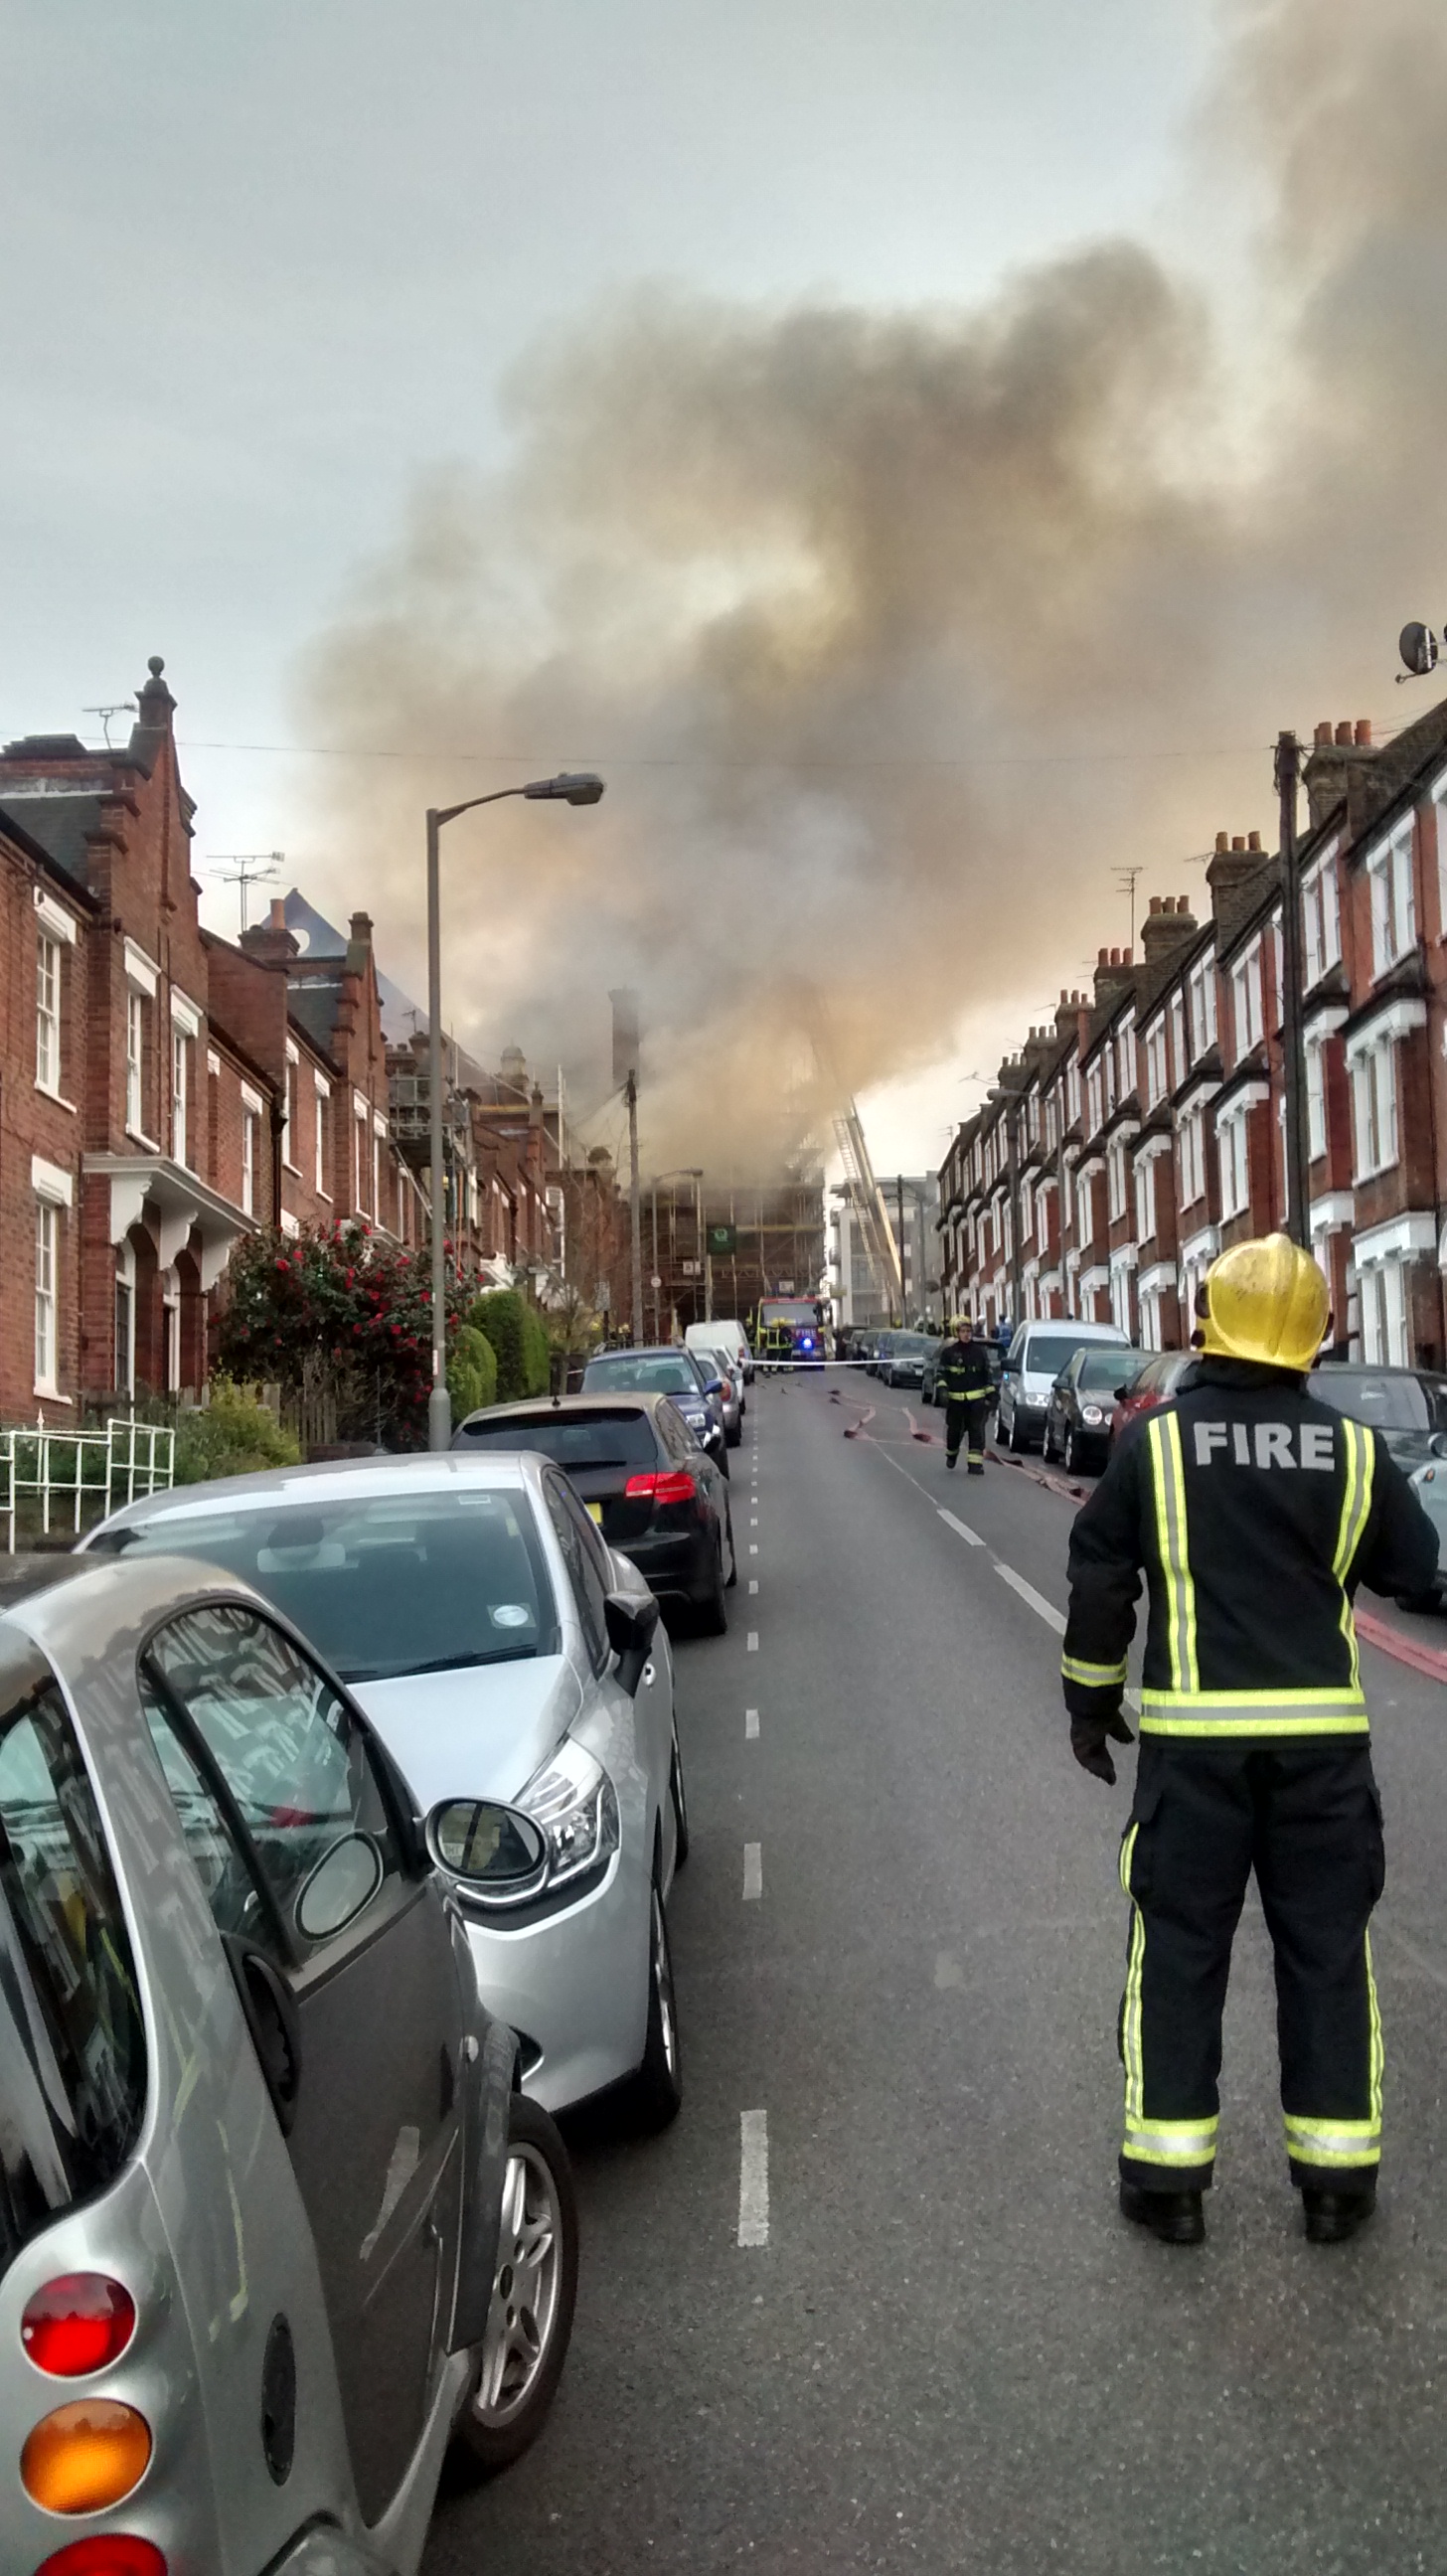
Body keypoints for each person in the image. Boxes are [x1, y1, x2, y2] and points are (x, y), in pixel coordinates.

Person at [1061, 1234, 1437, 2247]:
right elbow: (1416, 1567)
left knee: (1180, 1956)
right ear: (1313, 1336)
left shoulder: (1154, 1444)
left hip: (1192, 1762)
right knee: (1327, 1956)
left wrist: (1089, 1706)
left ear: (1206, 1326)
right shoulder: (1352, 1449)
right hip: (1323, 1760)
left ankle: (1168, 2185)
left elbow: (1101, 1577)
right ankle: (1336, 2186)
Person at [935, 1315, 996, 1473]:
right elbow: (941, 1374)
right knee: (954, 1432)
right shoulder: (948, 1353)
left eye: (969, 1331)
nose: (966, 1334)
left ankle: (975, 1464)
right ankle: (951, 1454)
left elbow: (986, 1375)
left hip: (976, 1401)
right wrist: (942, 1390)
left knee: (977, 1431)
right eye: (963, 1331)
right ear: (957, 1333)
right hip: (955, 1401)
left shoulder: (979, 1352)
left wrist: (992, 1395)